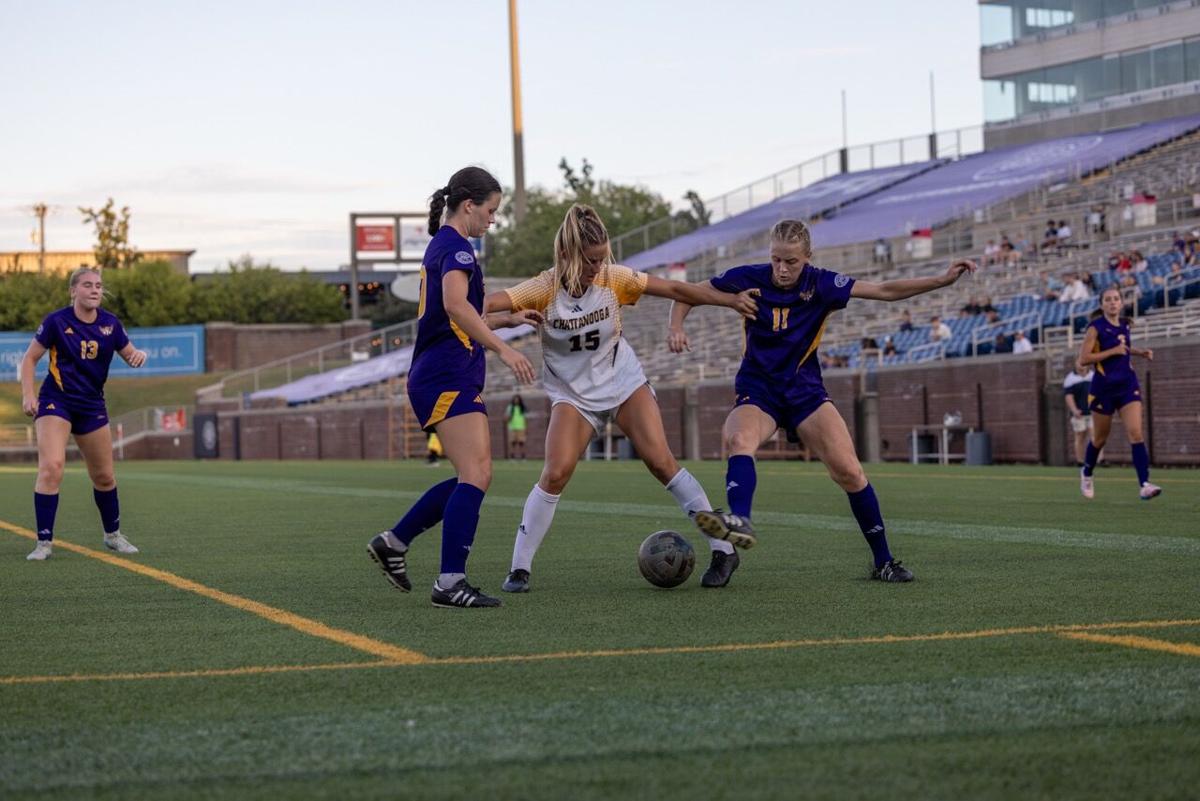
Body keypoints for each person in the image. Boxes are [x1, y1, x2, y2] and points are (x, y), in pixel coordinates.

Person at [668, 219, 977, 583]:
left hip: (805, 391)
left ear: (808, 257)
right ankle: (737, 529)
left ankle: (884, 562)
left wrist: (941, 279)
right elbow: (687, 292)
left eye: (791, 262)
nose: (782, 269)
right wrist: (676, 327)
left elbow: (884, 290)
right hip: (759, 388)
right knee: (739, 440)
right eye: (776, 260)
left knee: (849, 471)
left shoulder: (823, 283)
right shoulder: (749, 276)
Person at [486, 204, 760, 592]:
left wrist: (728, 300)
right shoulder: (542, 288)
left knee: (662, 462)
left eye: (602, 259)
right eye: (590, 260)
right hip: (573, 394)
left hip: (622, 381)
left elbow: (677, 289)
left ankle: (723, 549)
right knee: (556, 472)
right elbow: (475, 307)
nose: (598, 267)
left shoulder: (615, 279)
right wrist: (505, 320)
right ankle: (519, 569)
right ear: (567, 254)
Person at [366, 166, 538, 609]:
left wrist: (508, 319)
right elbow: (457, 307)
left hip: (443, 372)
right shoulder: (457, 248)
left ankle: (395, 542)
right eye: (491, 210)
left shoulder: (444, 245)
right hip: (446, 374)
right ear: (469, 206)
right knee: (477, 474)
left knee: (472, 475)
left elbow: (463, 312)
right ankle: (448, 582)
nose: (493, 220)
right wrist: (505, 348)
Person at [18, 267, 148, 561]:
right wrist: (29, 394)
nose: (94, 290)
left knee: (104, 476)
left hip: (91, 405)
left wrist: (139, 357)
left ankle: (112, 536)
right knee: (52, 466)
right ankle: (44, 542)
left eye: (99, 286)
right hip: (57, 401)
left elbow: (131, 354)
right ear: (73, 291)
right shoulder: (56, 321)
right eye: (87, 285)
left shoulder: (110, 325)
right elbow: (30, 358)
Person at [1077, 286, 1160, 501]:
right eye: (1108, 299)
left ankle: (1144, 484)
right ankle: (1087, 472)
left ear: (1121, 302)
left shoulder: (1125, 325)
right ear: (1102, 304)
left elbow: (1123, 349)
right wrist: (1112, 352)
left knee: (1136, 433)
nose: (1113, 302)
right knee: (1099, 439)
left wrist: (1140, 352)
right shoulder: (1095, 328)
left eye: (1116, 299)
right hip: (1103, 389)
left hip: (1127, 386)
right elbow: (1084, 359)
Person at [1062, 363, 1095, 467]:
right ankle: (1080, 461)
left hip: (1092, 412)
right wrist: (1074, 410)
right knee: (1080, 436)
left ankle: (1099, 459)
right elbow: (1069, 396)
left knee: (1095, 436)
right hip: (1079, 414)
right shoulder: (1070, 379)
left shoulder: (1093, 376)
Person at [505, 393, 528, 460]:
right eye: (515, 399)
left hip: (521, 427)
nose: (516, 401)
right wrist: (508, 418)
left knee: (522, 443)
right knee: (513, 443)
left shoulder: (522, 408)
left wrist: (526, 427)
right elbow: (507, 418)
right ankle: (512, 457)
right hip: (512, 427)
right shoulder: (510, 407)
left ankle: (523, 457)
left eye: (517, 400)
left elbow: (525, 418)